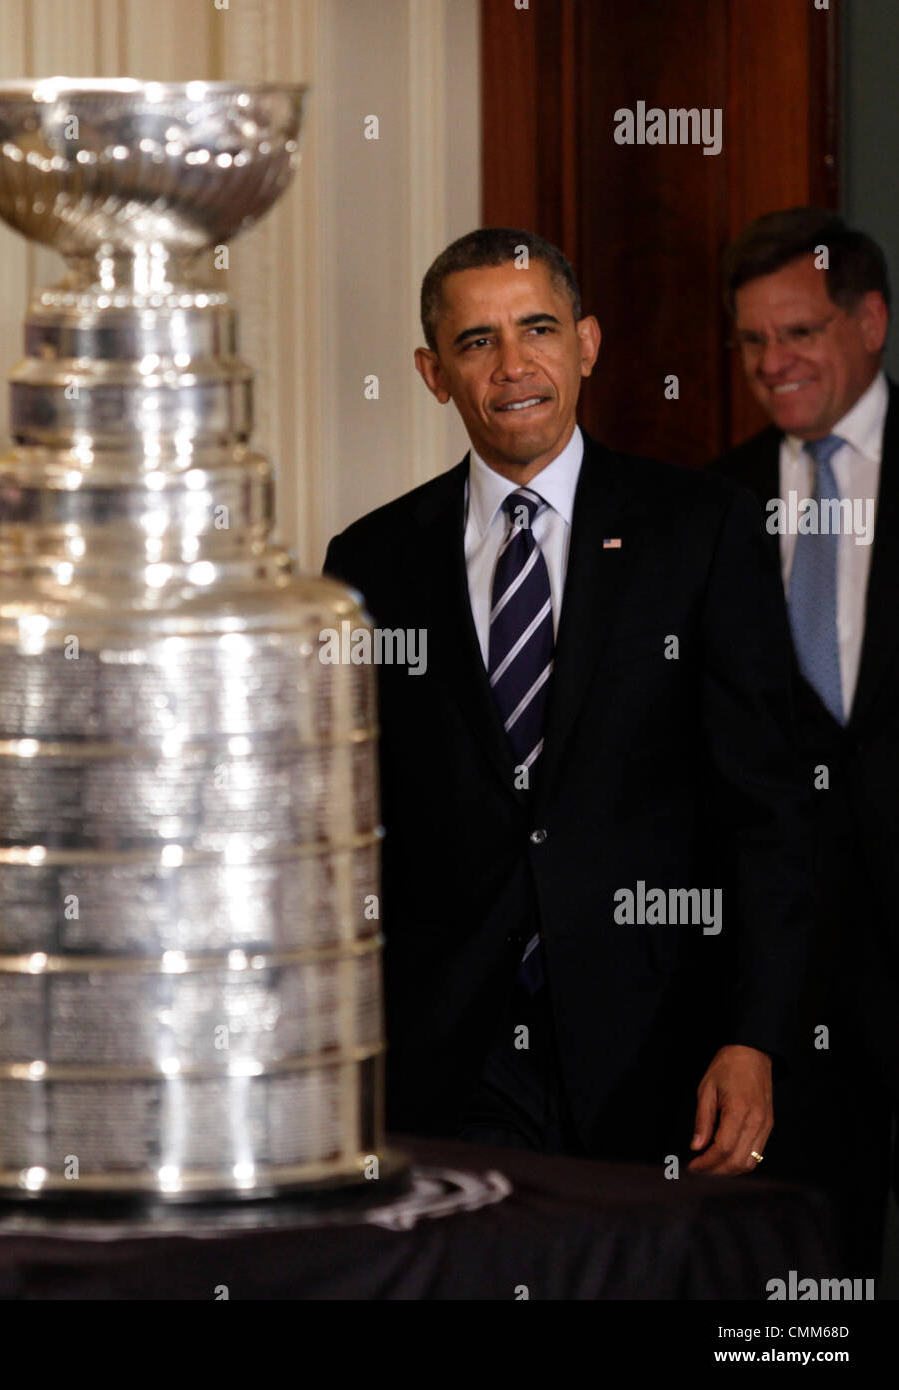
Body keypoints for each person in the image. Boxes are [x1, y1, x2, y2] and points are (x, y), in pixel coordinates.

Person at [323, 227, 808, 1178]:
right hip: (447, 1065)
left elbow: (770, 812)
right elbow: (346, 828)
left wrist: (757, 1039)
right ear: (433, 373)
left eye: (537, 328)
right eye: (477, 342)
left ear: (586, 344)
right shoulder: (371, 561)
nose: (513, 367)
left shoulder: (698, 530)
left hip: (663, 1056)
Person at [714, 207, 899, 1273]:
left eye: (798, 332)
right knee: (807, 1277)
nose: (771, 363)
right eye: (749, 342)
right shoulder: (714, 504)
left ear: (867, 321)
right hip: (791, 976)